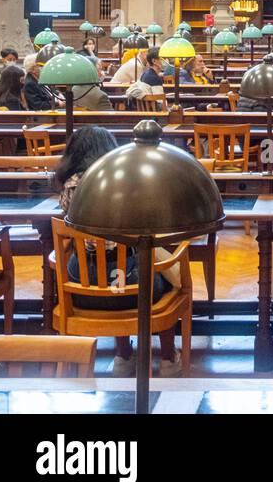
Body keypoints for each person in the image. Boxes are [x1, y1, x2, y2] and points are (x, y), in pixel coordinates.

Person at [54, 127, 183, 377]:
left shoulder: (69, 185)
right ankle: (168, 358)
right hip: (130, 287)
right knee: (158, 279)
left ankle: (124, 356)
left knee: (108, 270)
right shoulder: (126, 182)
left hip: (79, 285)